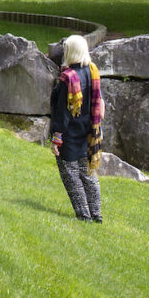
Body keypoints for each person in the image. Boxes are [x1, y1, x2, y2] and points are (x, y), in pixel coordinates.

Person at [50, 33, 104, 222]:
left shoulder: (68, 78)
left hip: (70, 134)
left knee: (71, 175)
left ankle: (84, 215)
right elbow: (99, 101)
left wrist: (56, 139)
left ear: (70, 51)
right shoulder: (92, 71)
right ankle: (96, 213)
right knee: (88, 174)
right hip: (89, 132)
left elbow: (63, 112)